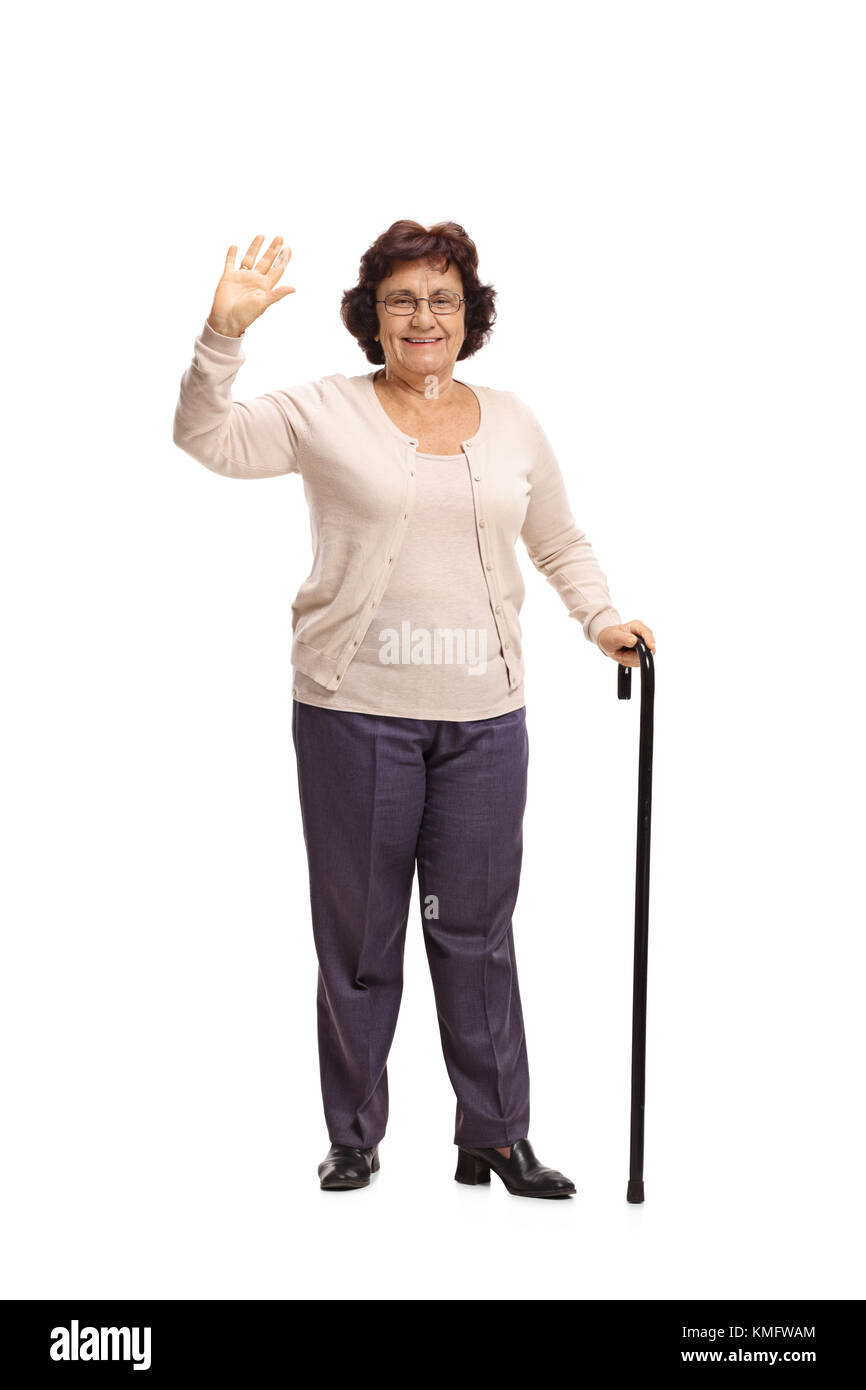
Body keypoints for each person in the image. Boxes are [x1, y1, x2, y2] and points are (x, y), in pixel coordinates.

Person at [172, 219, 656, 1199]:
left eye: (440, 298)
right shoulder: (324, 412)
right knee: (361, 935)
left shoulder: (513, 420)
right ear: (371, 317)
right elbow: (205, 437)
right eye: (401, 299)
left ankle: (493, 1133)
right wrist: (219, 338)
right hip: (353, 707)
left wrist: (600, 619)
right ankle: (353, 1134)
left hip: (484, 717)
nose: (422, 316)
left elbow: (559, 540)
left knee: (472, 929)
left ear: (468, 314)